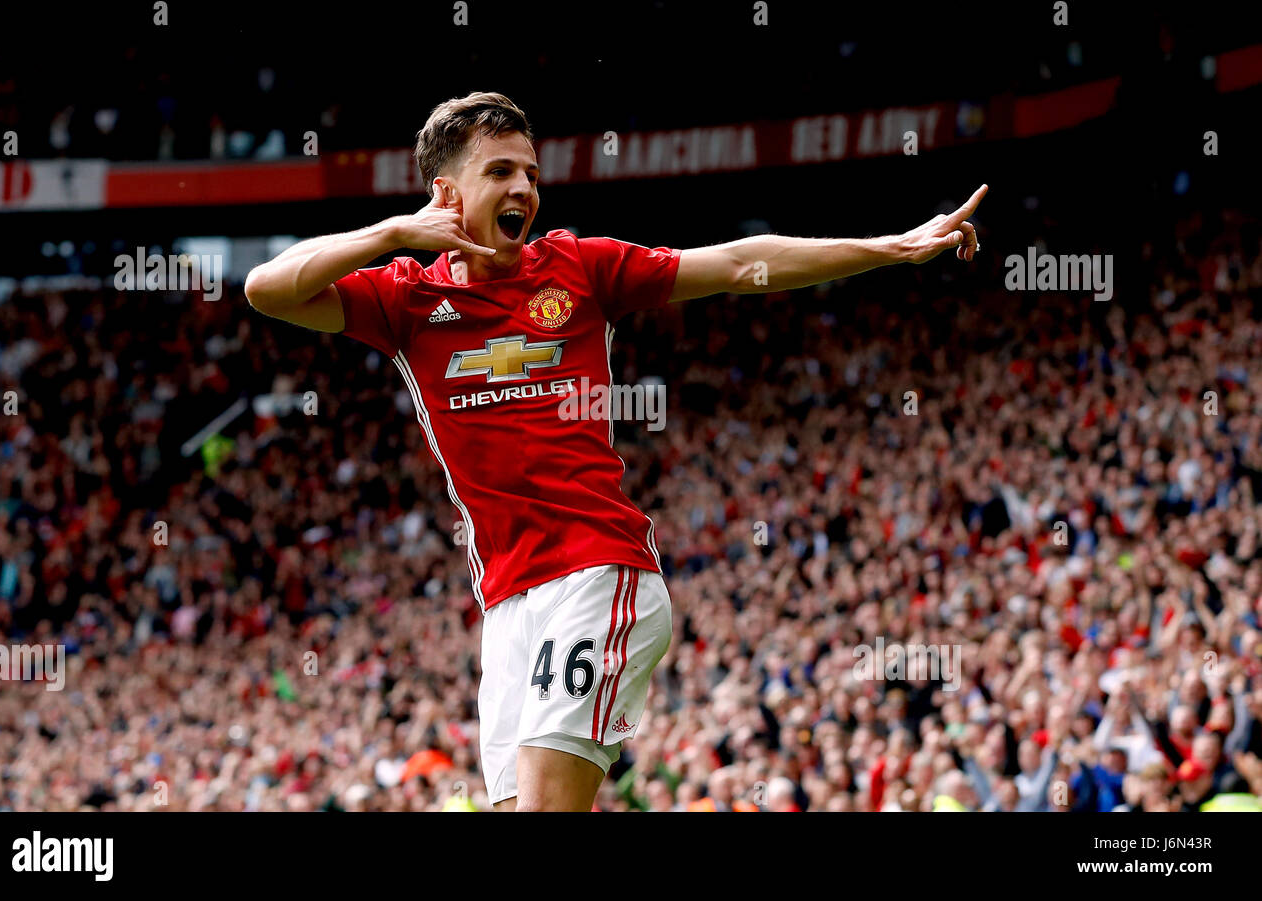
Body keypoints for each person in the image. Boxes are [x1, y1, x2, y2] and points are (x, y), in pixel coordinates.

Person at [244, 91, 985, 811]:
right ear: (446, 192)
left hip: (595, 570)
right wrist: (392, 235)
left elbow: (733, 264)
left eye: (531, 173)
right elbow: (266, 289)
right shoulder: (403, 298)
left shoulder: (578, 267)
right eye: (500, 171)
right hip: (505, 605)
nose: (525, 187)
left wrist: (892, 247)